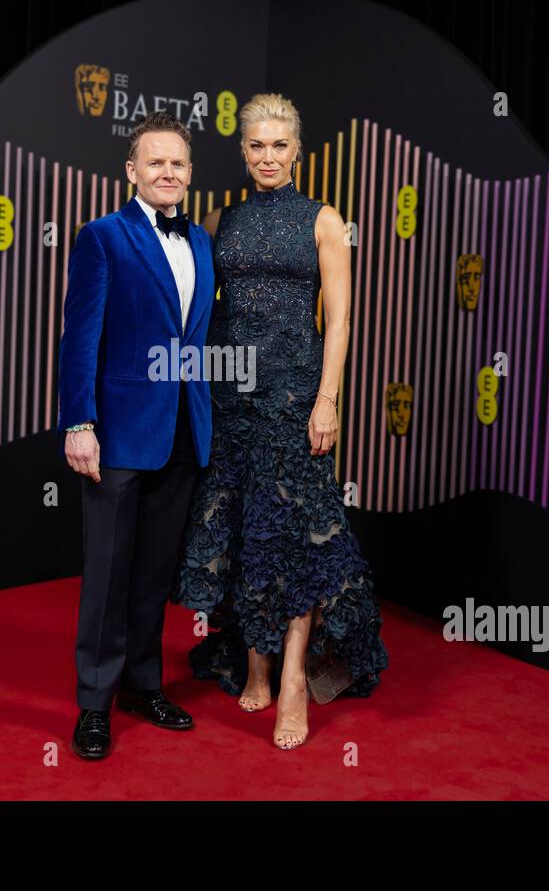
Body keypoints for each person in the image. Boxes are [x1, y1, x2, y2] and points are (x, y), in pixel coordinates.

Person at [173, 93, 388, 750]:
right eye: (257, 146)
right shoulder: (217, 220)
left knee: (295, 540)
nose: (268, 157)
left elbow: (341, 319)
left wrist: (328, 399)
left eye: (280, 146)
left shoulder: (325, 220)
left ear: (298, 152)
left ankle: (293, 676)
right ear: (244, 153)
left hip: (294, 399)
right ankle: (256, 663)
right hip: (233, 396)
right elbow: (193, 307)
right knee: (243, 529)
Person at [56, 111, 216, 760]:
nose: (168, 173)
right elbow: (79, 338)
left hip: (183, 430)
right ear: (131, 171)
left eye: (178, 163)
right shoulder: (102, 237)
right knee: (108, 574)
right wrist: (78, 422)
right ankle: (94, 703)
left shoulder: (201, 241)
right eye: (156, 163)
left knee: (153, 572)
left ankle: (142, 685)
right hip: (117, 431)